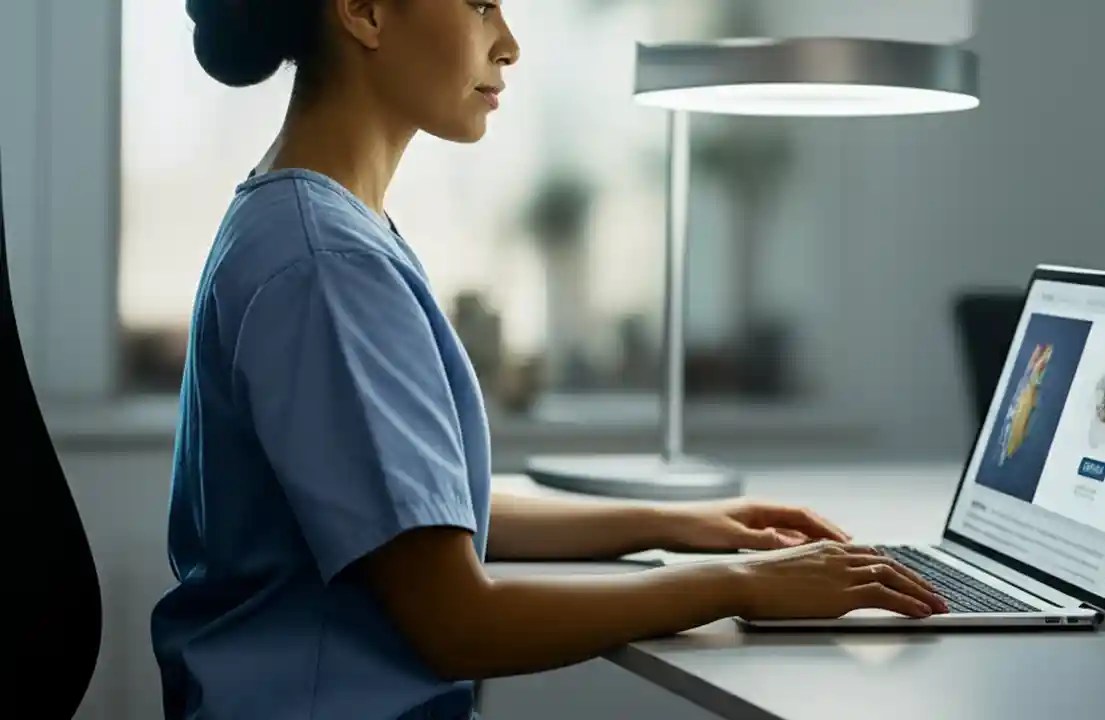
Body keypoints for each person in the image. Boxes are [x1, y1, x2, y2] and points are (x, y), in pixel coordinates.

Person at [151, 2, 949, 719]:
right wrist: (739, 586)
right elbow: (459, 624)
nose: (510, 45)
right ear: (362, 11)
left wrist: (685, 525)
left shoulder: (313, 225)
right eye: (481, 4)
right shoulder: (327, 266)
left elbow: (422, 519)